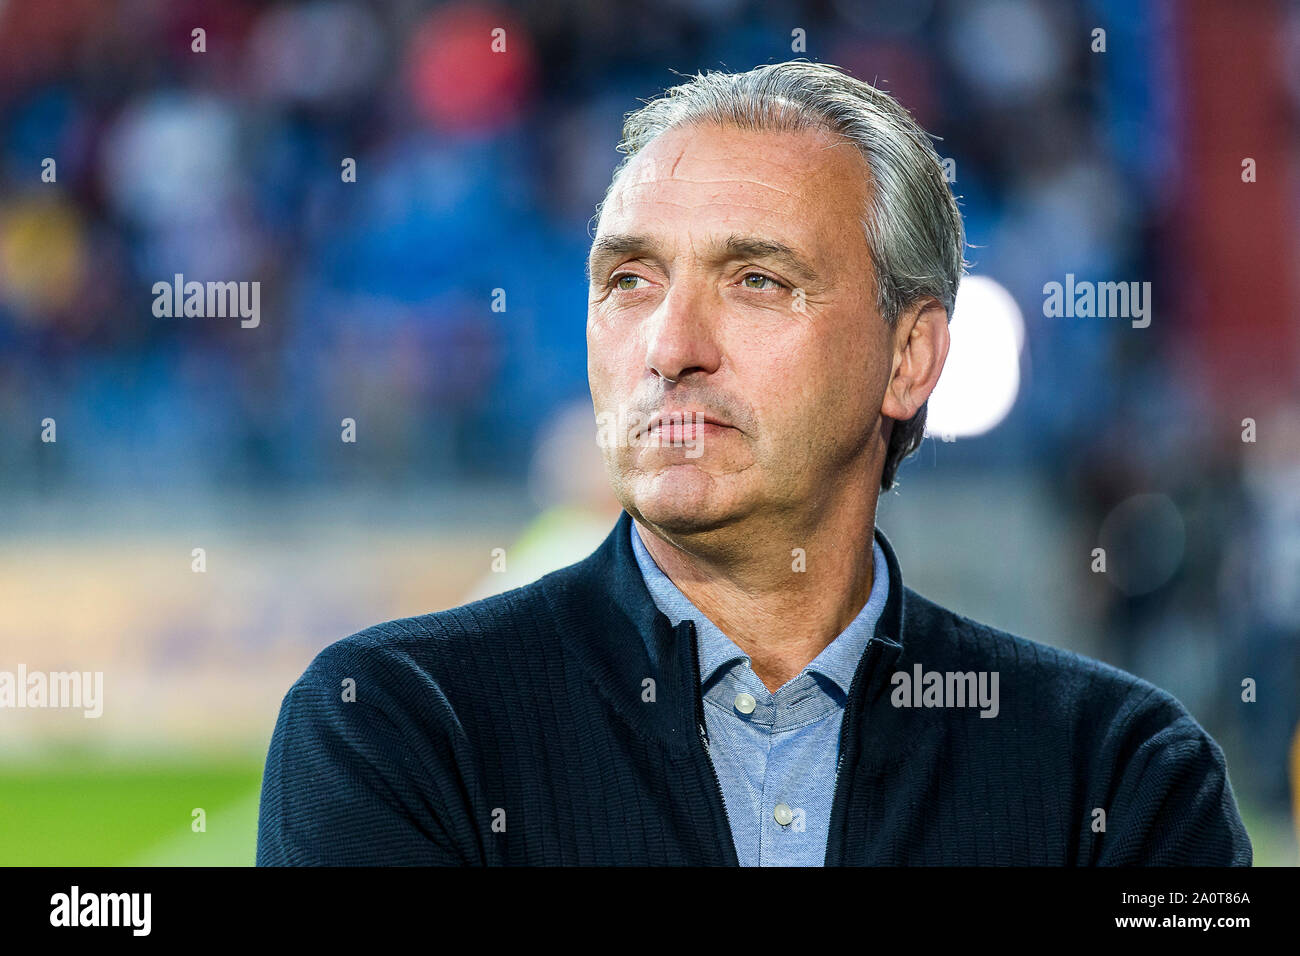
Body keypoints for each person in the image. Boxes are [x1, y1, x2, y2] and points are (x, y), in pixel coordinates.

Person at [257, 61, 1251, 866]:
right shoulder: (389, 725)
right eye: (630, 279)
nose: (669, 342)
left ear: (908, 358)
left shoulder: (1123, 777)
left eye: (758, 279)